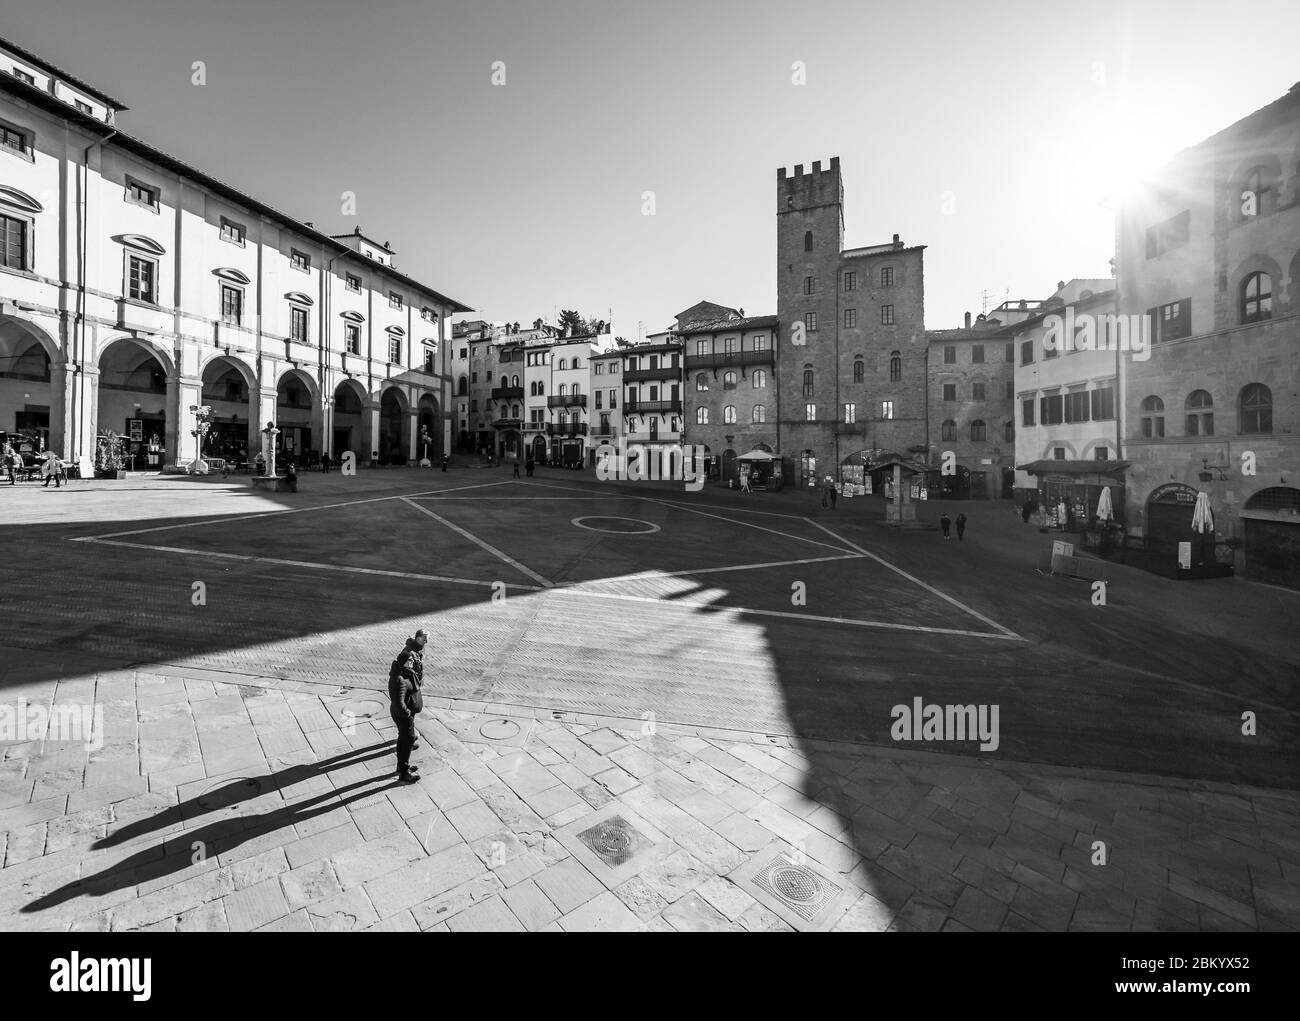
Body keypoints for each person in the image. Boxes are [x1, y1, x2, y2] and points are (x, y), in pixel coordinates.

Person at [388, 629, 428, 782]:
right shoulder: (399, 679)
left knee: (403, 739)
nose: (411, 662)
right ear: (404, 662)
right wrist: (407, 714)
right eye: (409, 661)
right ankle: (404, 773)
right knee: (408, 739)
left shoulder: (404, 673)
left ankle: (402, 766)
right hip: (402, 715)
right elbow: (398, 701)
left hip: (403, 714)